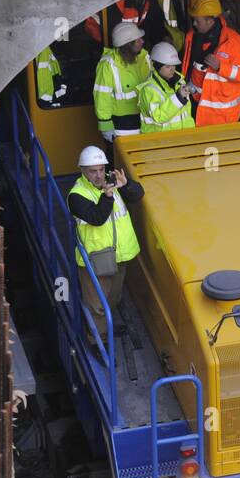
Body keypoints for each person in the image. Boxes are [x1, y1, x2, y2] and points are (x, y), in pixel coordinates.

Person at [67, 145, 143, 354]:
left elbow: (137, 195)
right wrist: (108, 196)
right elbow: (97, 218)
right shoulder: (77, 195)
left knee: (114, 297)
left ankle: (105, 329)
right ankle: (97, 342)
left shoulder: (112, 184)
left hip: (119, 255)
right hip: (96, 260)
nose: (99, 175)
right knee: (96, 306)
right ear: (82, 170)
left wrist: (125, 185)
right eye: (93, 171)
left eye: (101, 169)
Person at [179, 0, 240, 126]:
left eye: (197, 21)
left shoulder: (234, 42)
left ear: (210, 21)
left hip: (223, 119)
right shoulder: (192, 37)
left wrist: (220, 67)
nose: (194, 23)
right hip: (196, 110)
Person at [93, 22, 148, 142]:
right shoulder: (108, 64)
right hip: (122, 127)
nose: (142, 42)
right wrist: (105, 125)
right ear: (127, 44)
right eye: (138, 40)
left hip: (146, 122)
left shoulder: (144, 58)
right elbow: (102, 97)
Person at [137, 42, 195, 133]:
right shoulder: (148, 89)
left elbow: (186, 114)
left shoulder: (180, 81)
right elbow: (158, 117)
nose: (172, 69)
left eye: (174, 65)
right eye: (167, 66)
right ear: (157, 66)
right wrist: (178, 98)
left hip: (184, 136)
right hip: (159, 141)